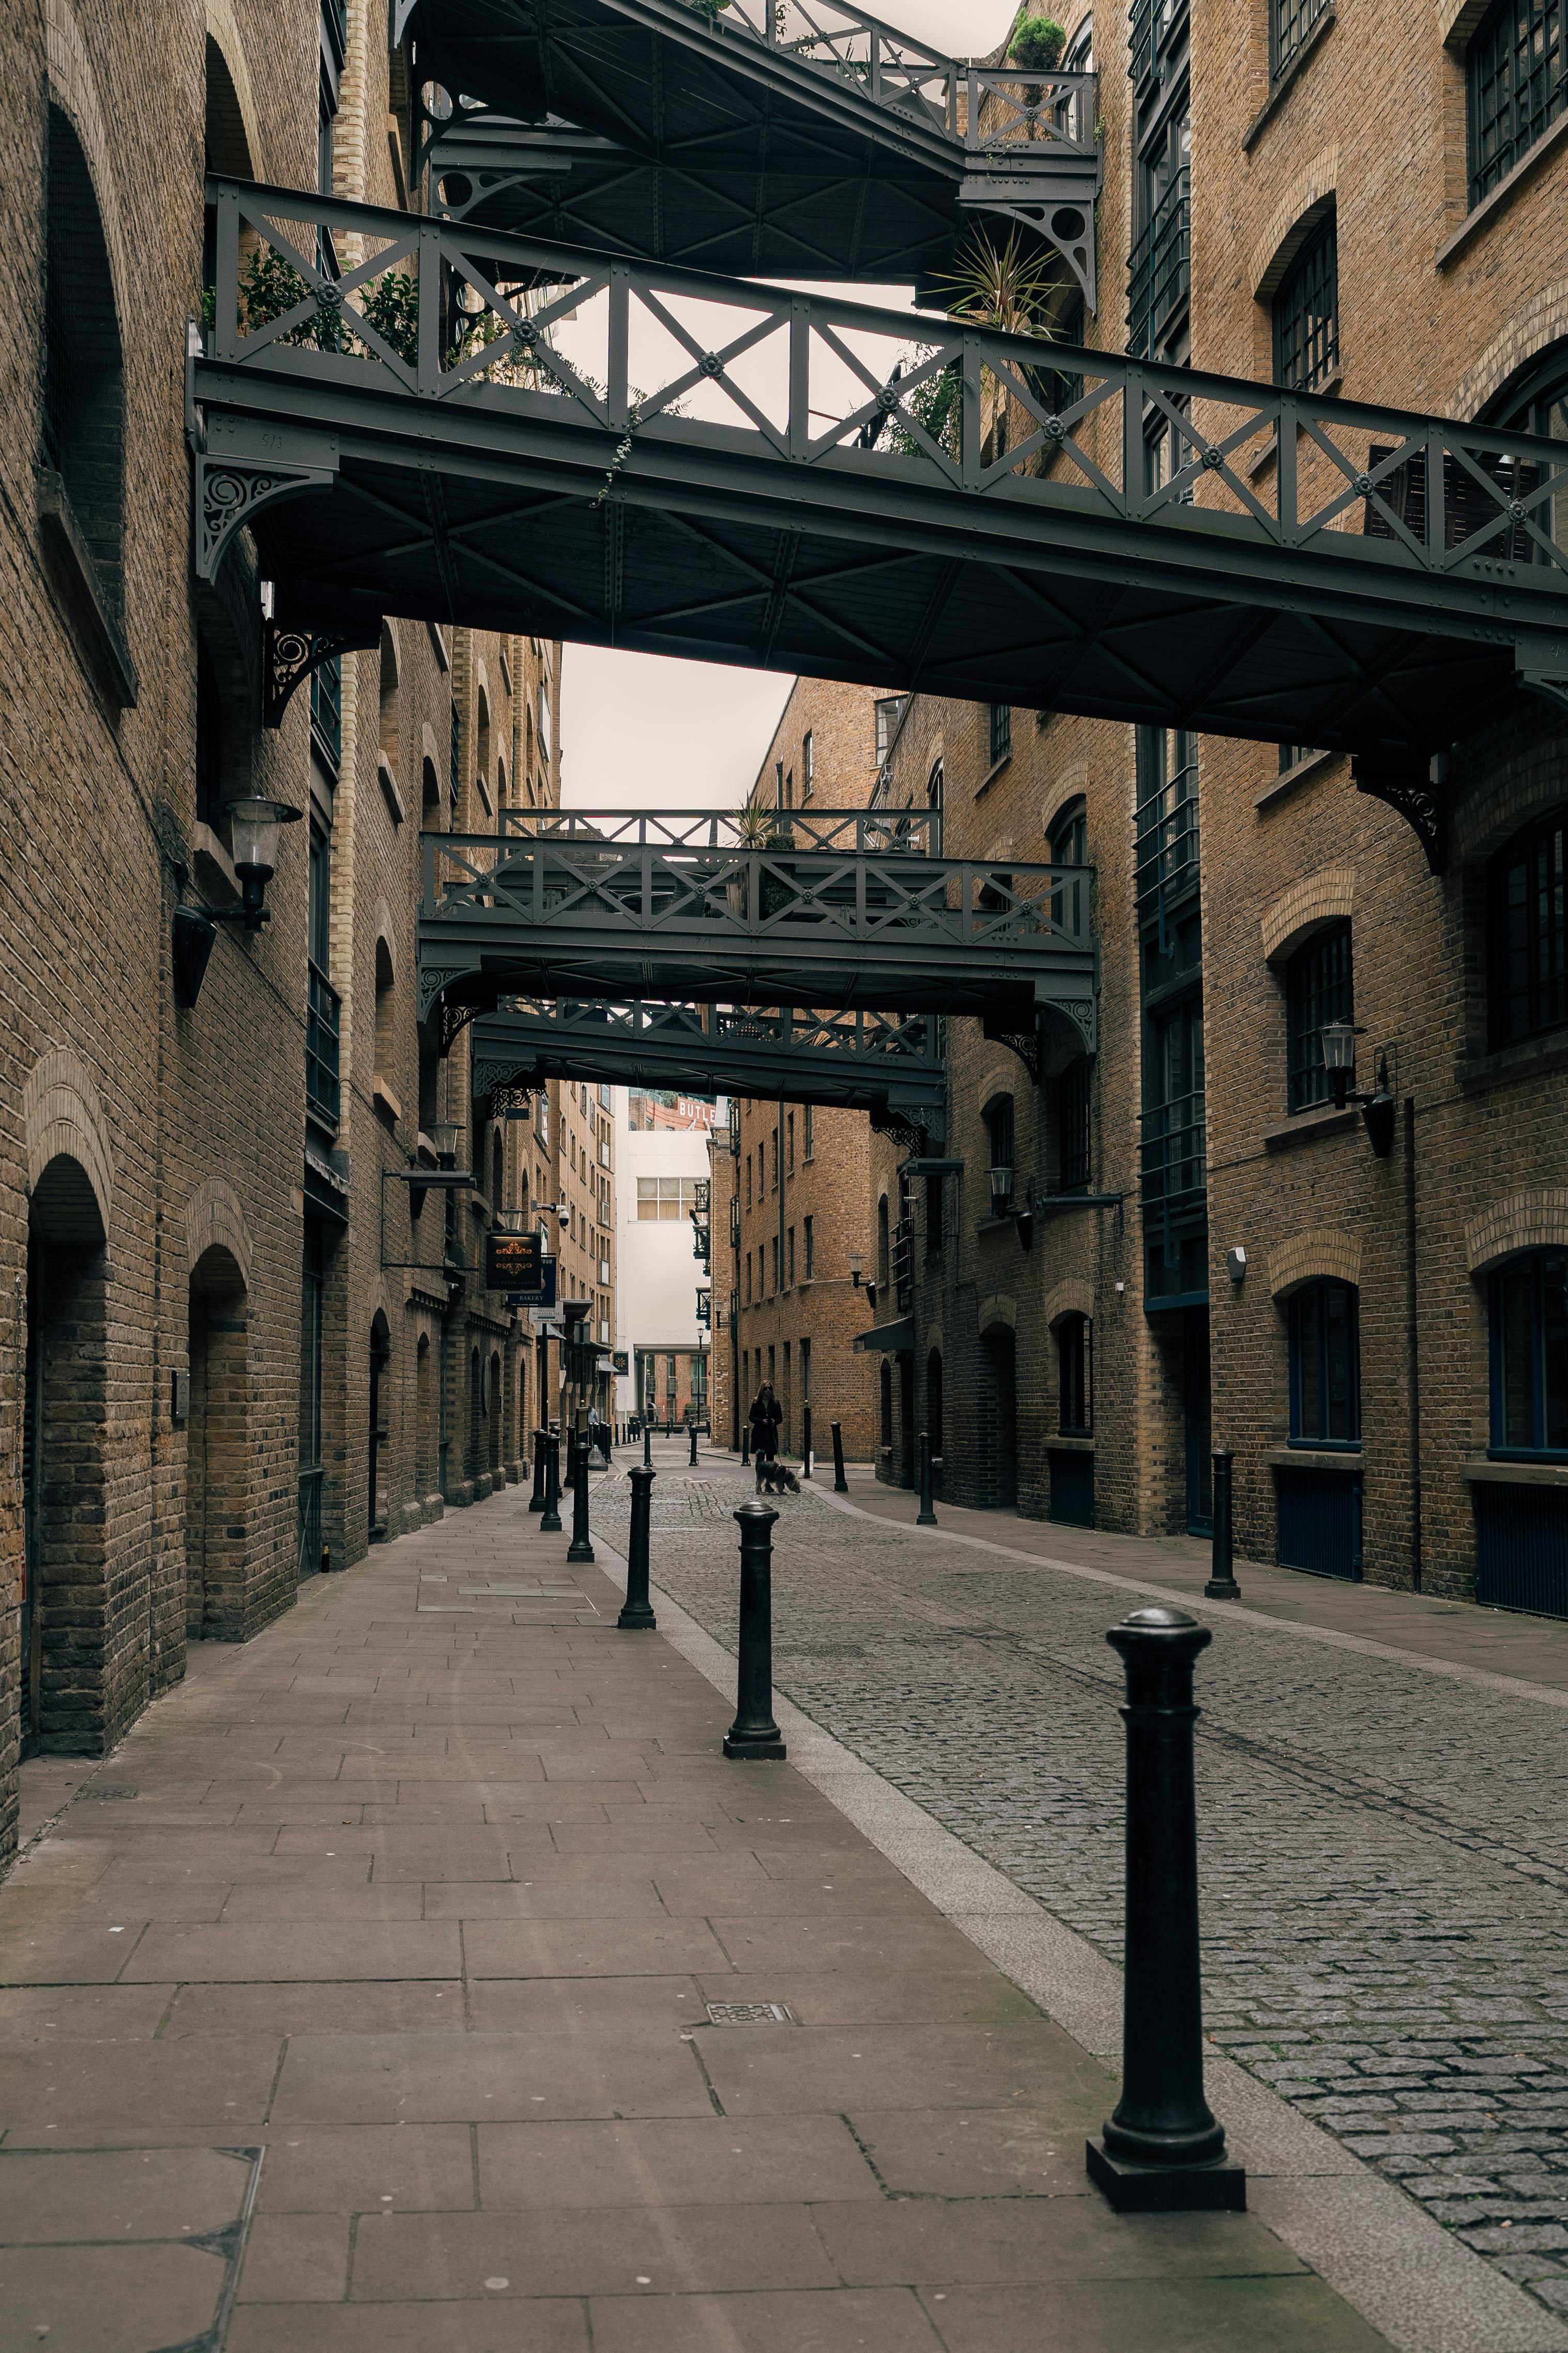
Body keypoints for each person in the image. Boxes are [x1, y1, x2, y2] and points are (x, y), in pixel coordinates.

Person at [749, 1383, 782, 1470]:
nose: (768, 1390)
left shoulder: (775, 1403)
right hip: (759, 1433)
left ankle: (769, 1477)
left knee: (770, 1460)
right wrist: (761, 1421)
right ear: (762, 1390)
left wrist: (775, 1421)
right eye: (766, 1388)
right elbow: (751, 1417)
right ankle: (759, 1477)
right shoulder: (756, 1402)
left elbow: (780, 1418)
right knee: (760, 1458)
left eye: (770, 1388)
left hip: (771, 1433)